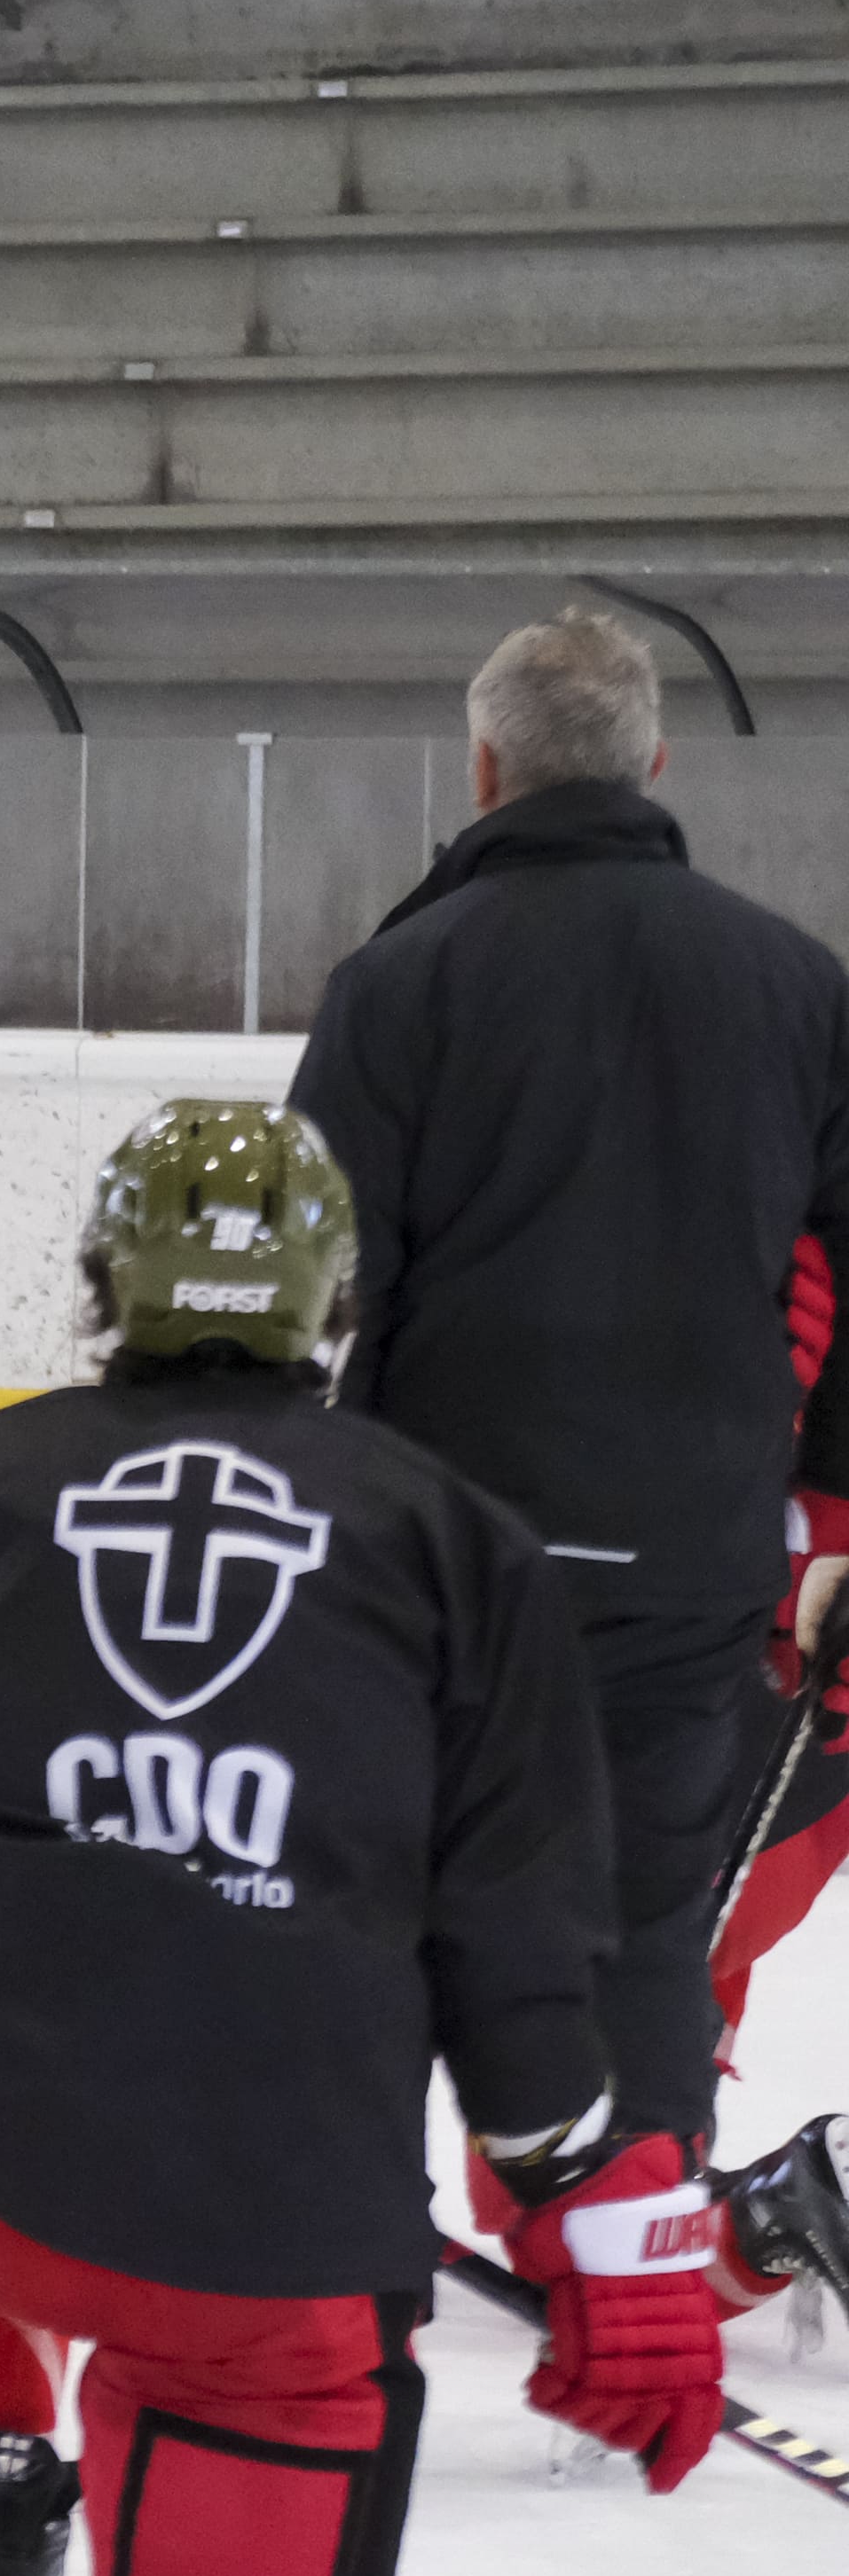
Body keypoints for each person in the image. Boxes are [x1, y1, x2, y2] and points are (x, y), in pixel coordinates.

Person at [0, 1098, 731, 2576]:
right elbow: (526, 1981)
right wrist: (616, 2237)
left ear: (100, 1280)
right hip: (271, 2260)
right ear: (335, 1297)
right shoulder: (463, 1543)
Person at [285, 607, 849, 2281]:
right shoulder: (799, 984)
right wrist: (826, 1511)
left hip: (443, 1562)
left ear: (482, 769)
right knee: (652, 1934)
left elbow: (310, 1286)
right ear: (657, 763)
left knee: (390, 1903)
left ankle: (345, 2263)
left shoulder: (396, 980)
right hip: (692, 1554)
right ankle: (640, 2286)